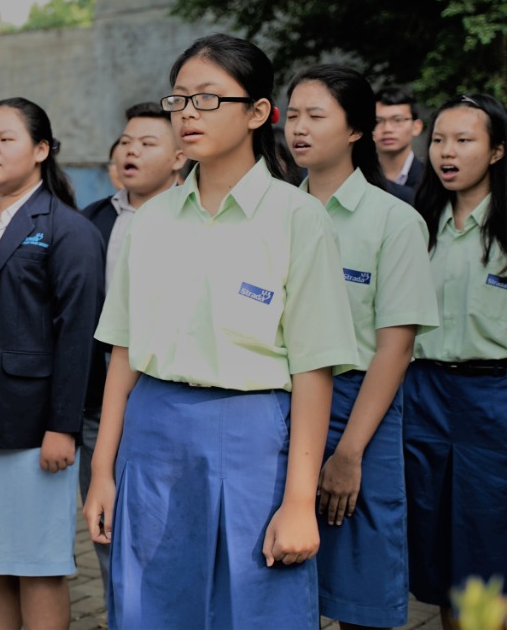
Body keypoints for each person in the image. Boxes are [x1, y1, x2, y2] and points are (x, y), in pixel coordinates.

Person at [83, 33, 357, 630]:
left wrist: (298, 502)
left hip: (252, 436)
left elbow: (314, 371)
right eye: (178, 99)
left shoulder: (296, 218)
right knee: (150, 606)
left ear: (258, 113)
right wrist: (103, 471)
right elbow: (123, 354)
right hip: (152, 438)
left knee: (255, 606)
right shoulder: (149, 222)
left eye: (207, 99)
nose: (187, 113)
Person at [284, 66, 438, 630]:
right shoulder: (274, 213)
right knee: (279, 579)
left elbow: (394, 348)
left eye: (315, 116)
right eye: (292, 115)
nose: (298, 128)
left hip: (359, 408)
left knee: (361, 592)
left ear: (356, 130)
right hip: (279, 404)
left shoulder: (393, 220)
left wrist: (349, 455)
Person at [0, 98, 104, 630]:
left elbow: (77, 336)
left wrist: (63, 426)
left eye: (6, 139)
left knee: (36, 563)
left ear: (40, 150)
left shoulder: (68, 230)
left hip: (31, 418)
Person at [406, 93, 507, 630]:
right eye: (440, 139)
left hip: (492, 401)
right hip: (420, 396)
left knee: (485, 546)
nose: (447, 152)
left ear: (496, 152)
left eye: (464, 141)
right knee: (435, 540)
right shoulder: (415, 224)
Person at [78, 100, 185, 605]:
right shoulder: (90, 221)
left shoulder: (194, 220)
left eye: (147, 144)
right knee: (107, 523)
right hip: (101, 399)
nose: (131, 152)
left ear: (180, 156)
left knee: (172, 533)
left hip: (169, 399)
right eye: (125, 143)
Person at [374, 85, 425, 192]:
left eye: (397, 120)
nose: (387, 129)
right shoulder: (356, 177)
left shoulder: (432, 178)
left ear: (416, 127)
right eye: (377, 121)